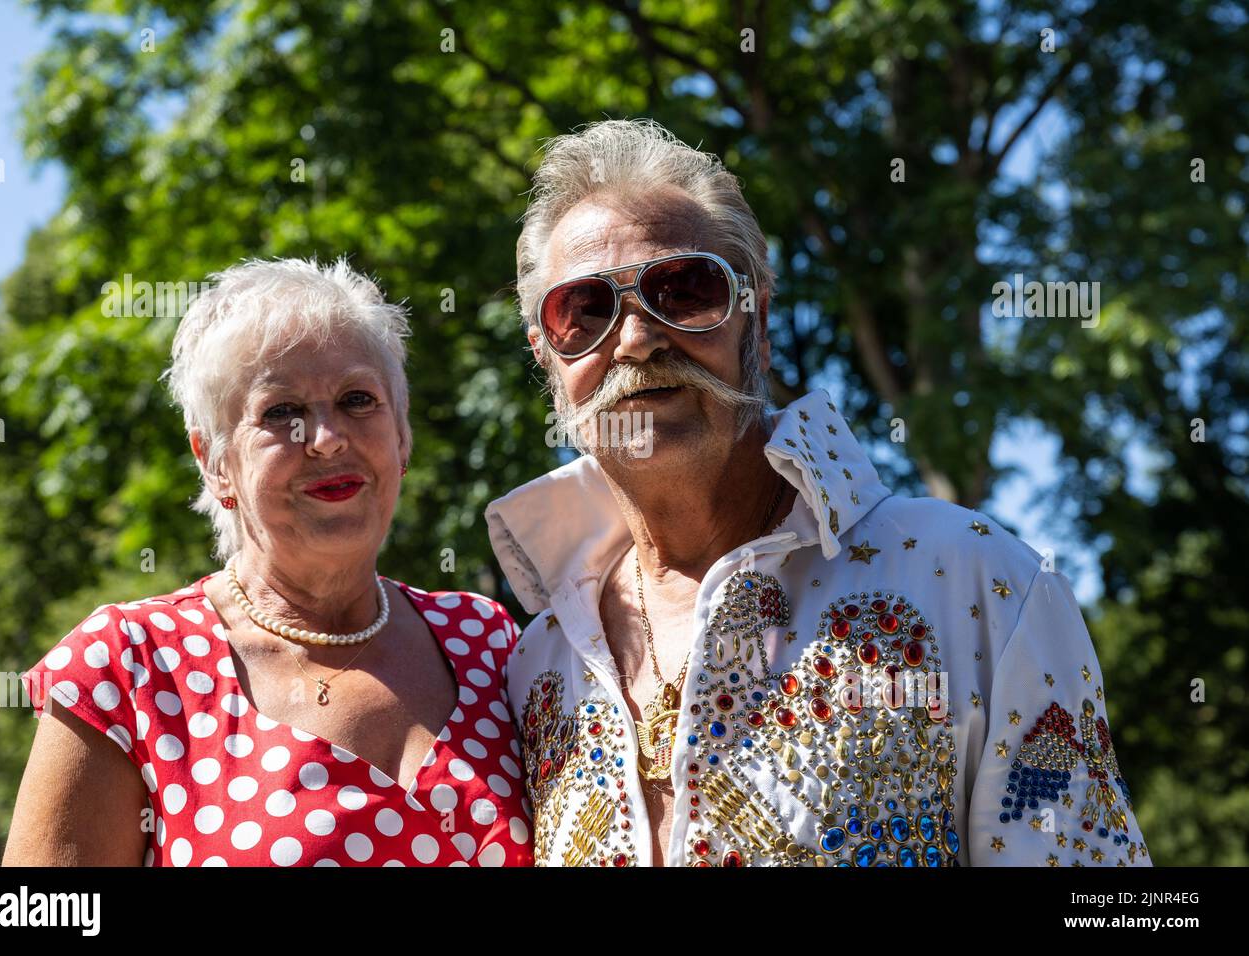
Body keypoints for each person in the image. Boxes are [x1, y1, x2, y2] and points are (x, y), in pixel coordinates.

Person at [486, 119, 1150, 867]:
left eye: (685, 290)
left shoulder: (985, 582)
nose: (637, 340)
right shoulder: (531, 665)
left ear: (758, 322)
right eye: (586, 310)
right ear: (548, 357)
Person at [5, 257, 530, 867]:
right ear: (214, 459)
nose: (328, 438)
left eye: (358, 399)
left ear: (403, 436)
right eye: (281, 412)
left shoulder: (488, 641)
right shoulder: (128, 667)